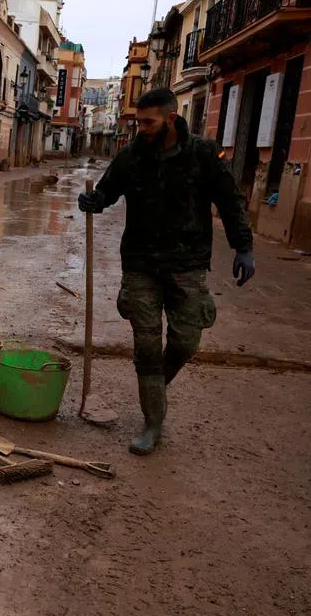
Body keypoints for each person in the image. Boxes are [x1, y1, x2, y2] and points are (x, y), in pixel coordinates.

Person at [78, 88, 254, 456]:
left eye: (148, 122)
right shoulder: (130, 157)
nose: (141, 128)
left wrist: (244, 246)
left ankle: (155, 382)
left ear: (171, 119)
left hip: (188, 264)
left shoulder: (202, 155)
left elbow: (230, 199)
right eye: (138, 121)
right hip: (140, 263)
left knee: (186, 340)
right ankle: (153, 420)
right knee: (146, 343)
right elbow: (108, 191)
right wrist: (94, 201)